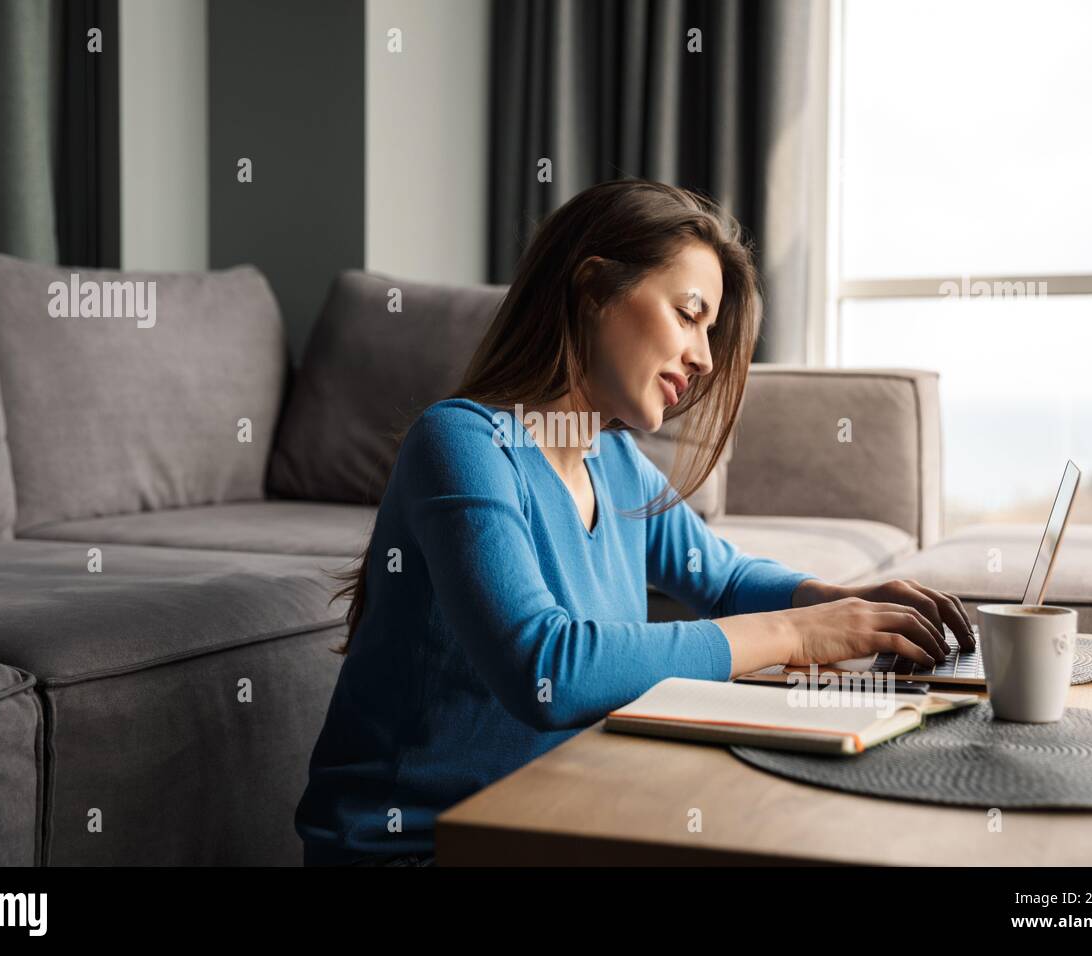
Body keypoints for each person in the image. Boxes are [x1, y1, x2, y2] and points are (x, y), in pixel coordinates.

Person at [295, 178, 974, 866]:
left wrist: (833, 602)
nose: (704, 356)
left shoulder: (614, 462)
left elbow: (726, 577)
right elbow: (547, 669)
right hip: (417, 849)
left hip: (566, 819)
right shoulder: (462, 443)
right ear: (593, 290)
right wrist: (792, 632)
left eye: (709, 330)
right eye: (688, 314)